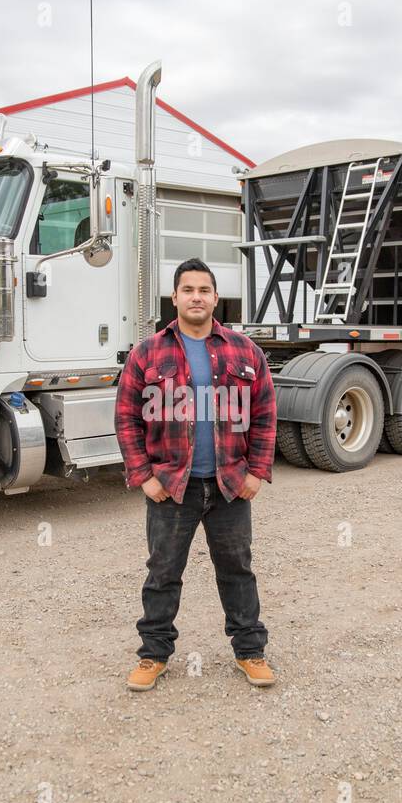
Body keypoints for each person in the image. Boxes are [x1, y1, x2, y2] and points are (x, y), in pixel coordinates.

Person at [114, 257, 278, 691]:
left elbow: (264, 414)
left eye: (204, 290)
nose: (196, 297)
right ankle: (153, 655)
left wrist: (257, 472)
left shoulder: (245, 351)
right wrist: (144, 475)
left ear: (215, 298)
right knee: (163, 571)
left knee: (237, 569)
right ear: (175, 298)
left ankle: (250, 651)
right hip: (172, 487)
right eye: (188, 290)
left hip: (230, 486)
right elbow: (127, 417)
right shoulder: (147, 353)